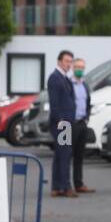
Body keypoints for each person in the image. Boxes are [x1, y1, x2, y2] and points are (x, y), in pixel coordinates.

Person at [47, 49, 79, 198]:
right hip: (62, 123)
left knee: (60, 154)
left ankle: (57, 186)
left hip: (67, 122)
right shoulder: (55, 78)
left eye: (71, 61)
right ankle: (65, 187)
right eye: (67, 61)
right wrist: (61, 122)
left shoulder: (65, 78)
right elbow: (54, 103)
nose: (69, 64)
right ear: (59, 61)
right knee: (64, 154)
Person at [69, 57, 95, 194]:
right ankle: (64, 185)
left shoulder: (85, 85)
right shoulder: (68, 83)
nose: (79, 69)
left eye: (82, 67)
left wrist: (87, 118)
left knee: (79, 156)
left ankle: (79, 184)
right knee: (65, 154)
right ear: (73, 68)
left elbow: (88, 103)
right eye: (77, 67)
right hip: (67, 125)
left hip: (81, 123)